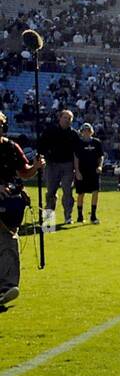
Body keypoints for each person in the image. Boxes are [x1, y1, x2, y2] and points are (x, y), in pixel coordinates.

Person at [0, 110, 45, 307]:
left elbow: (24, 172)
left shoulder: (11, 147)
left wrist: (36, 167)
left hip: (10, 202)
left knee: (9, 240)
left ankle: (7, 286)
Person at [37, 109, 78, 226]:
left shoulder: (74, 134)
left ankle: (68, 217)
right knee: (51, 192)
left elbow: (77, 153)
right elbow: (41, 146)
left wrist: (76, 169)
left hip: (68, 166)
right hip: (52, 165)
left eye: (69, 119)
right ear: (60, 118)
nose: (67, 120)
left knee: (67, 192)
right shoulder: (50, 131)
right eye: (65, 118)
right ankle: (49, 219)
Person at [73, 123, 104, 224]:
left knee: (95, 192)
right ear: (81, 132)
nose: (87, 132)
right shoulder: (78, 143)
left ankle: (93, 216)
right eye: (84, 131)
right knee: (81, 193)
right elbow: (76, 158)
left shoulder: (96, 143)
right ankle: (80, 215)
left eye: (88, 130)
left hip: (94, 171)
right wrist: (77, 171)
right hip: (82, 171)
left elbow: (101, 156)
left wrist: (100, 166)